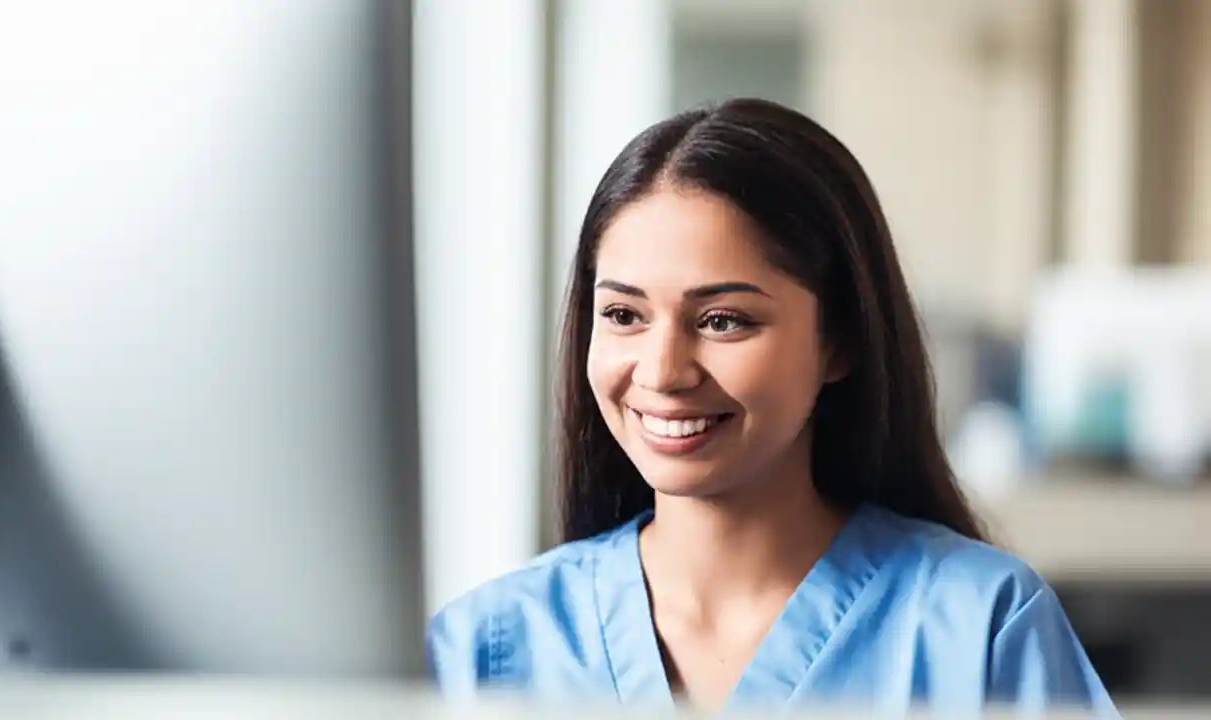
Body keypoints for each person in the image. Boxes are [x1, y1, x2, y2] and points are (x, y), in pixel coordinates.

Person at [426, 98, 1117, 716]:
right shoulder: (486, 647)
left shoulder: (979, 627)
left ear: (839, 342)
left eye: (724, 320)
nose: (663, 372)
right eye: (624, 314)